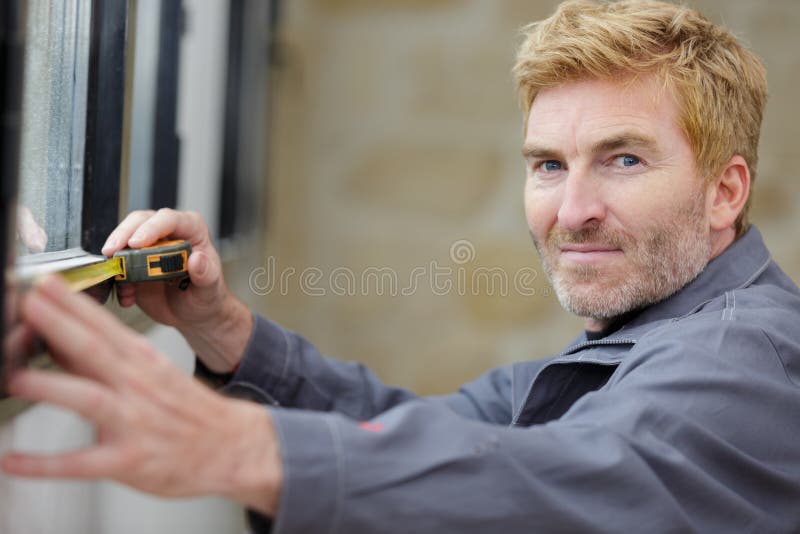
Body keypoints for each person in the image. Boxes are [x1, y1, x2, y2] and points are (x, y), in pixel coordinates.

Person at [4, 0, 800, 531]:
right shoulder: (646, 333)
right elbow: (432, 434)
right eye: (549, 165)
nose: (573, 209)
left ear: (724, 191)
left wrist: (248, 449)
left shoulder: (741, 359)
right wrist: (227, 334)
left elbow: (567, 485)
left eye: (622, 160)